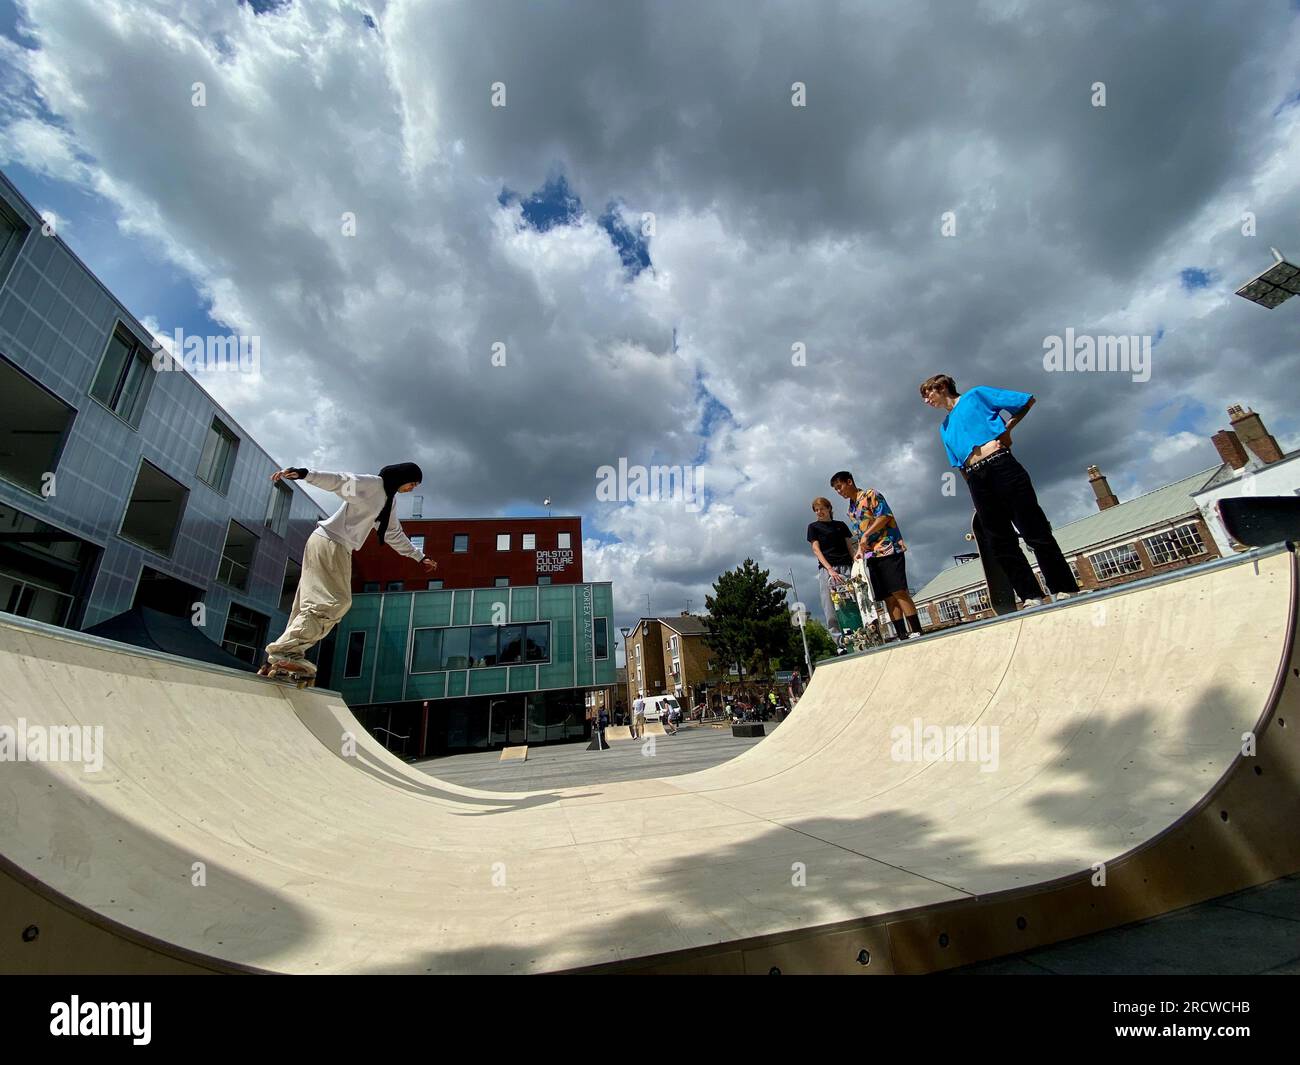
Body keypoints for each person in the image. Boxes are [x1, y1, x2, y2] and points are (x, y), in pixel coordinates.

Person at [919, 374, 1078, 606]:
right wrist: (975, 494)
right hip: (975, 477)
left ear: (942, 387)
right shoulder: (944, 427)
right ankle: (1031, 595)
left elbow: (1026, 401)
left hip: (1000, 464)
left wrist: (1007, 429)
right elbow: (959, 465)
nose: (926, 401)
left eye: (927, 394)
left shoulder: (976, 395)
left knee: (1032, 527)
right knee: (999, 540)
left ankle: (1063, 587)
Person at [262, 462, 435, 676]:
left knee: (309, 604)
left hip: (330, 544)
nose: (413, 489)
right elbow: (340, 481)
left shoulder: (388, 500)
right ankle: (285, 651)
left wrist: (419, 557)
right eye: (412, 483)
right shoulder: (373, 485)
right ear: (402, 478)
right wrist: (306, 474)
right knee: (336, 602)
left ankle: (279, 661)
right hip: (332, 543)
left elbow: (393, 534)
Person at [829, 471, 923, 641]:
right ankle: (901, 633)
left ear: (849, 482)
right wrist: (859, 551)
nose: (839, 491)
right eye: (836, 489)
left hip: (888, 547)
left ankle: (916, 629)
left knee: (898, 590)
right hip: (871, 555)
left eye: (840, 486)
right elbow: (859, 534)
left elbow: (885, 516)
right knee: (886, 595)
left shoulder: (871, 494)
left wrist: (867, 534)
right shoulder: (850, 509)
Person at [806, 497, 856, 644]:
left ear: (829, 508)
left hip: (847, 566)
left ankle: (860, 633)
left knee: (854, 601)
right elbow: (816, 549)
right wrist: (830, 569)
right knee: (830, 605)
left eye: (821, 508)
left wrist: (856, 563)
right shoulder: (813, 527)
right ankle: (840, 642)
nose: (819, 512)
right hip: (828, 569)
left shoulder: (840, 526)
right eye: (816, 510)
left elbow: (850, 547)